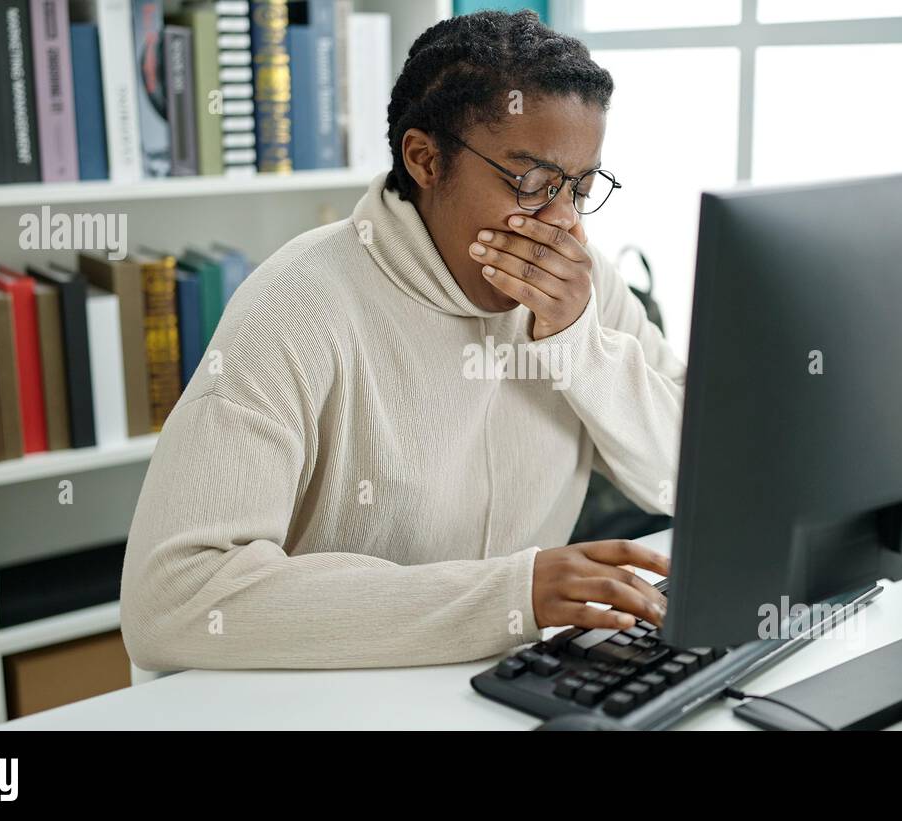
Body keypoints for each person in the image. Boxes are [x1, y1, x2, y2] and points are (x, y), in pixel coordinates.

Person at [120, 10, 684, 670]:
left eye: (580, 190)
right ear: (425, 159)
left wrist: (577, 344)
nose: (563, 225)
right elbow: (172, 601)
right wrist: (508, 594)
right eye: (532, 184)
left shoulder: (584, 290)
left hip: (493, 685)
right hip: (318, 697)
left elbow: (685, 479)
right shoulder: (295, 306)